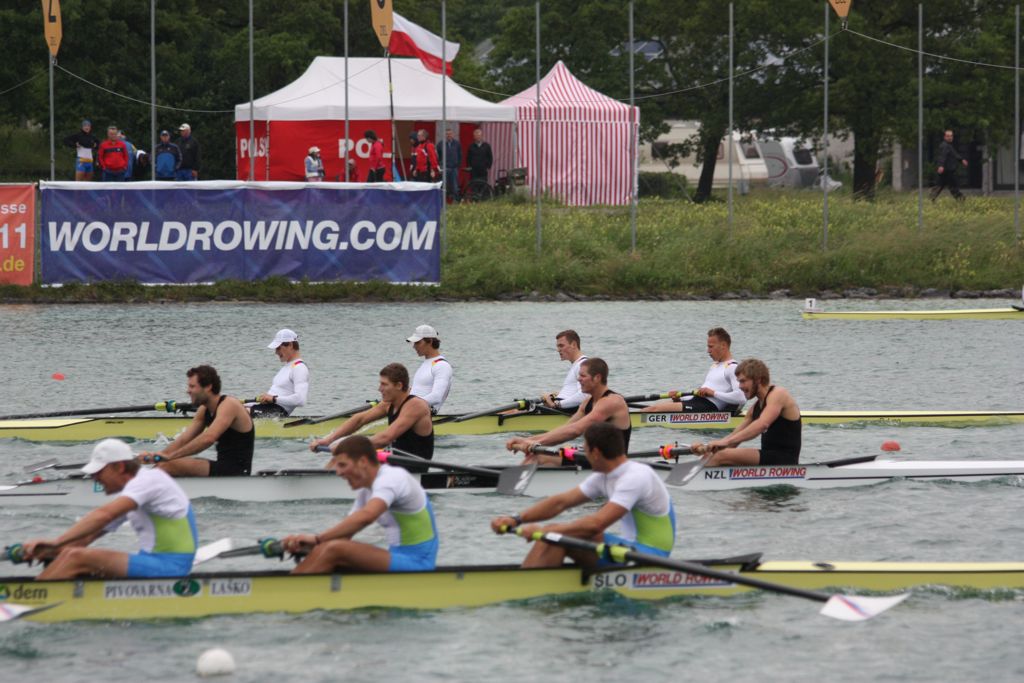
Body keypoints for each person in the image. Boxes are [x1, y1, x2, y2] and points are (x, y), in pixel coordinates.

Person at [491, 422, 675, 569]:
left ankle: (529, 590)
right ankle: (533, 582)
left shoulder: (635, 477)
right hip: (627, 548)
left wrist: (544, 532)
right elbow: (560, 503)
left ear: (595, 453)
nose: (584, 454)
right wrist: (516, 520)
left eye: (585, 450)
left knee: (554, 535)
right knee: (554, 534)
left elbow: (595, 525)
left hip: (651, 555)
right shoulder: (604, 476)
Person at [21, 438, 198, 580]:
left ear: (119, 467)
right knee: (70, 552)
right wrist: (47, 551)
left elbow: (103, 515)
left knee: (76, 557)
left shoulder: (149, 481)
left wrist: (57, 541)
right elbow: (87, 537)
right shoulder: (132, 493)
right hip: (153, 562)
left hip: (170, 567)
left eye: (98, 472)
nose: (94, 478)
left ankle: (28, 600)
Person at [283, 435, 438, 573]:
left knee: (334, 549)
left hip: (418, 563)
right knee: (328, 546)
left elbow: (366, 517)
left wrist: (317, 539)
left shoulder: (392, 478)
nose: (338, 472)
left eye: (342, 465)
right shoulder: (367, 492)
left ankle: (288, 596)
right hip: (396, 556)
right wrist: (305, 545)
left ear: (363, 461)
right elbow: (344, 535)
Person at [507, 357, 631, 467]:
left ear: (597, 378)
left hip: (610, 463)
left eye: (583, 376)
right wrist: (528, 440)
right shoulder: (587, 402)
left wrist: (533, 442)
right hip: (587, 455)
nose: (578, 379)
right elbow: (566, 428)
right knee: (536, 454)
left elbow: (575, 431)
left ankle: (511, 487)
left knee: (539, 456)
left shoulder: (611, 402)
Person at [308, 363, 434, 471]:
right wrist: (328, 440)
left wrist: (348, 446)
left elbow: (385, 438)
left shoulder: (416, 405)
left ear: (399, 386)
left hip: (413, 468)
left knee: (347, 457)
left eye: (384, 384)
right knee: (340, 459)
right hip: (396, 461)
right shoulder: (389, 403)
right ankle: (323, 482)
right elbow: (359, 420)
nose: (379, 389)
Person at [139, 365, 255, 476]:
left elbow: (208, 439)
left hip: (237, 472)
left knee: (168, 465)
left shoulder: (229, 404)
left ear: (208, 387)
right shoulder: (204, 409)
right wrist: (159, 456)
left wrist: (171, 456)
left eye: (192, 386)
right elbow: (184, 439)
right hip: (221, 467)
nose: (188, 391)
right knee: (162, 464)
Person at [690, 358, 801, 467]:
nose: (740, 387)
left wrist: (726, 443)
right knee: (712, 456)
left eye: (743, 381)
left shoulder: (778, 394)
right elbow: (733, 440)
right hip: (768, 458)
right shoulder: (754, 409)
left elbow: (762, 424)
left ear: (758, 380)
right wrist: (707, 449)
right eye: (739, 382)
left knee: (720, 456)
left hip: (785, 460)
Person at [642, 327, 746, 414]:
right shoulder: (715, 366)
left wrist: (713, 393)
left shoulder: (732, 368)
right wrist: (680, 398)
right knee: (653, 408)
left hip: (708, 407)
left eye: (711, 347)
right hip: (696, 402)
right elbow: (700, 396)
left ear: (723, 345)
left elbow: (741, 397)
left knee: (654, 409)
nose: (708, 351)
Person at [253, 328, 310, 417]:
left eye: (278, 348)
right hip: (266, 408)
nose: (276, 352)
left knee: (236, 411)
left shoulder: (299, 368)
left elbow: (301, 400)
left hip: (277, 412)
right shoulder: (287, 367)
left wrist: (273, 399)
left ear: (290, 345)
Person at [406, 324, 452, 414]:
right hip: (413, 409)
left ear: (430, 341)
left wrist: (407, 404)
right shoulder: (426, 364)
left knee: (385, 406)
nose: (414, 346)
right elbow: (419, 390)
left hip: (424, 412)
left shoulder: (442, 366)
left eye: (417, 342)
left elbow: (436, 397)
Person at [540, 329, 588, 410]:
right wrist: (557, 395)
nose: (558, 350)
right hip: (562, 407)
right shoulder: (577, 364)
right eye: (557, 346)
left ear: (573, 344)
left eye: (561, 346)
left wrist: (555, 404)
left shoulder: (582, 365)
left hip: (563, 410)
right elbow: (576, 391)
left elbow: (584, 395)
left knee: (513, 411)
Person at [931, 129, 967, 201]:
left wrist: (961, 160)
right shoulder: (945, 146)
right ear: (944, 137)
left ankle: (930, 199)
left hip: (947, 170)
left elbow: (954, 154)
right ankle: (961, 199)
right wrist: (941, 165)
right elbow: (942, 156)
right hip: (947, 170)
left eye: (951, 136)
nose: (950, 137)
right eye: (948, 136)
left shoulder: (948, 146)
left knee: (940, 186)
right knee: (953, 186)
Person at [436, 127, 462, 201]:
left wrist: (458, 164)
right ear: (445, 135)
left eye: (450, 134)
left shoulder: (457, 144)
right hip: (445, 168)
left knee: (454, 185)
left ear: (452, 134)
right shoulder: (440, 144)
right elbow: (438, 155)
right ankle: (443, 201)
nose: (448, 135)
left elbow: (460, 155)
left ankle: (455, 200)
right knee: (444, 185)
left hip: (454, 168)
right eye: (447, 134)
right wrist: (440, 164)